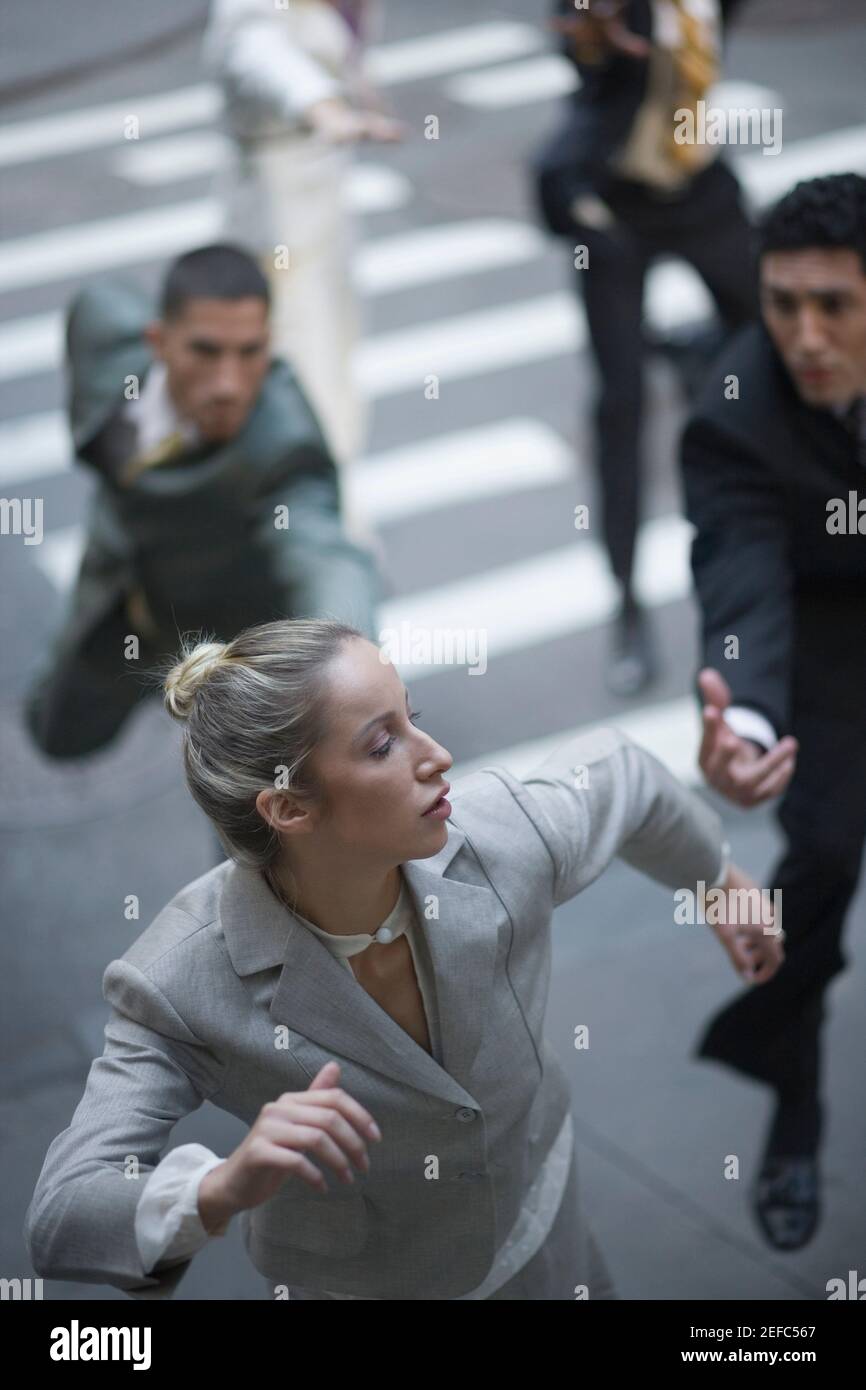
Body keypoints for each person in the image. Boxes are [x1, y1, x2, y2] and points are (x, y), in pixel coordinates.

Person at [24, 618, 783, 1300]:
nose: (439, 757)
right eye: (383, 743)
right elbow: (63, 1212)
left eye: (412, 718)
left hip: (548, 1247)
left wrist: (719, 883)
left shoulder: (502, 835)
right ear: (289, 806)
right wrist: (222, 1186)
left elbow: (623, 774)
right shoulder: (176, 984)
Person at [681, 172, 866, 1252]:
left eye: (833, 305)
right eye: (780, 302)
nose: (802, 334)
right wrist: (742, 727)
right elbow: (740, 582)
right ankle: (794, 1114)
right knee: (821, 864)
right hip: (820, 638)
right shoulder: (733, 413)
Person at [25, 243, 381, 761]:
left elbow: (327, 556)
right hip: (119, 593)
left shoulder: (285, 446)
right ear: (158, 342)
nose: (229, 385)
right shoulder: (105, 338)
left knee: (258, 813)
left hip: (223, 635)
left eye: (251, 352)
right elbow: (98, 302)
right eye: (206, 351)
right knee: (56, 734)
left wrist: (353, 672)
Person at [531, 0, 757, 696]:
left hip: (700, 188)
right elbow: (585, 53)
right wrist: (590, 36)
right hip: (614, 198)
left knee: (771, 349)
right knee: (622, 402)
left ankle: (788, 559)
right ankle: (627, 603)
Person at [203, 0, 403, 547]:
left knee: (334, 355)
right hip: (278, 203)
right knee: (299, 362)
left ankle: (326, 512)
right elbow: (255, 49)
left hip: (323, 187)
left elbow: (341, 40)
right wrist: (321, 105)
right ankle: (305, 525)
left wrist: (356, 89)